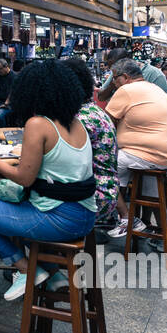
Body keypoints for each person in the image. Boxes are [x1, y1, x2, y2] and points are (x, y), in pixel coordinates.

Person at [0, 59, 97, 301]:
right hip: (86, 216)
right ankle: (53, 272)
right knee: (14, 216)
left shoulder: (38, 124)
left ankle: (27, 269)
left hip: (59, 219)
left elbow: (24, 178)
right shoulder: (77, 124)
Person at [103, 59, 167, 239]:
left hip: (151, 154)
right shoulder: (153, 87)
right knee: (138, 173)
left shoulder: (126, 90)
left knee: (102, 168)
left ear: (124, 77)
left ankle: (126, 218)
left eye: (115, 79)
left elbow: (104, 124)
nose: (113, 83)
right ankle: (153, 227)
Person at [64, 58, 119, 234]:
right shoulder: (95, 111)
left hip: (93, 198)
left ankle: (41, 256)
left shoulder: (81, 120)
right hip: (108, 193)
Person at [96, 47, 167, 104]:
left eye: (115, 67)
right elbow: (101, 97)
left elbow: (165, 103)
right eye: (111, 68)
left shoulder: (155, 74)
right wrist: (112, 85)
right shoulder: (116, 73)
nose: (113, 70)